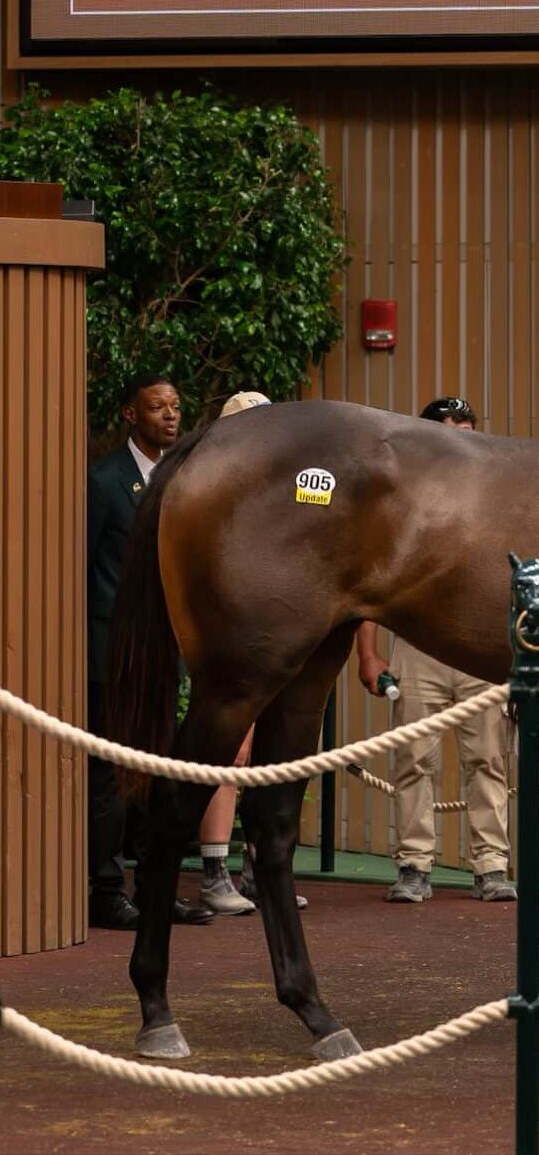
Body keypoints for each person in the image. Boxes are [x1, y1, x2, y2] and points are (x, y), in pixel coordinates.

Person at [356, 396, 517, 905]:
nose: (456, 436)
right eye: (444, 428)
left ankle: (491, 866)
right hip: (420, 644)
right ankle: (413, 865)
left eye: (465, 427)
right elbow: (371, 580)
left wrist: (520, 661)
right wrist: (368, 653)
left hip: (483, 649)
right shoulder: (398, 501)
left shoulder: (501, 500)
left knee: (489, 760)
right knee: (412, 761)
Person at [88, 373, 213, 928]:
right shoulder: (104, 481)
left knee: (159, 773)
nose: (170, 415)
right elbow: (84, 570)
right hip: (112, 653)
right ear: (130, 415)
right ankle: (107, 891)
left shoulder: (186, 479)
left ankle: (154, 890)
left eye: (175, 406)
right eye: (156, 407)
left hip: (165, 652)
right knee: (114, 780)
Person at [197, 391, 307, 914]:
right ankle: (215, 870)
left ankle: (259, 867)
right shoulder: (215, 492)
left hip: (280, 643)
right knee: (227, 749)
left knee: (275, 754)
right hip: (228, 643)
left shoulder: (285, 493)